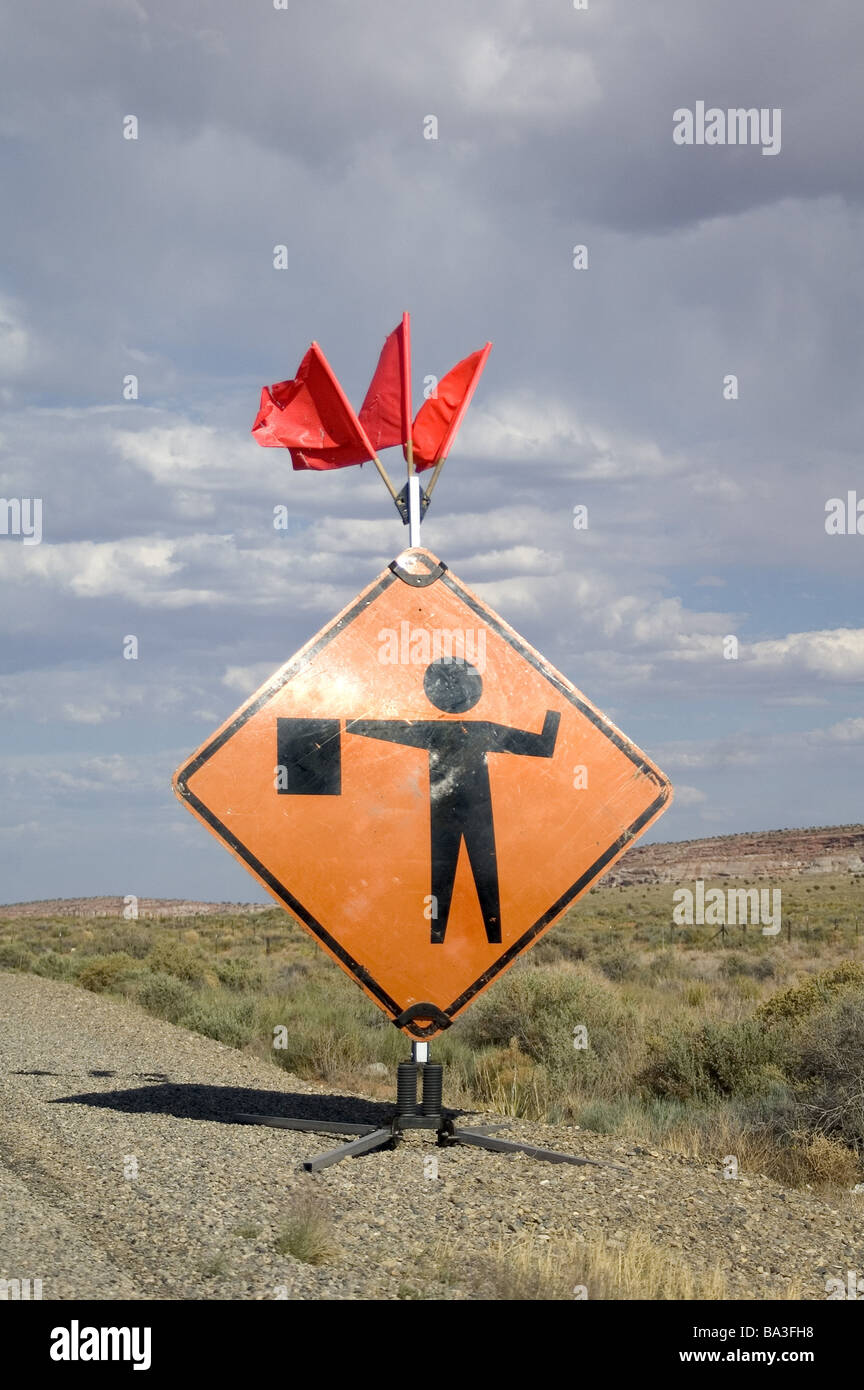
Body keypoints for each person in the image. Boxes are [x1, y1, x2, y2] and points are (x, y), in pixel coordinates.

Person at [347, 657, 560, 944]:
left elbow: (542, 746)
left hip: (460, 814)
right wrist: (553, 709)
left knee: (459, 875)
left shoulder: (444, 731)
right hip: (458, 814)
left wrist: (351, 721)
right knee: (464, 875)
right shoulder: (478, 729)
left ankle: (475, 938)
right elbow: (542, 744)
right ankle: (460, 939)